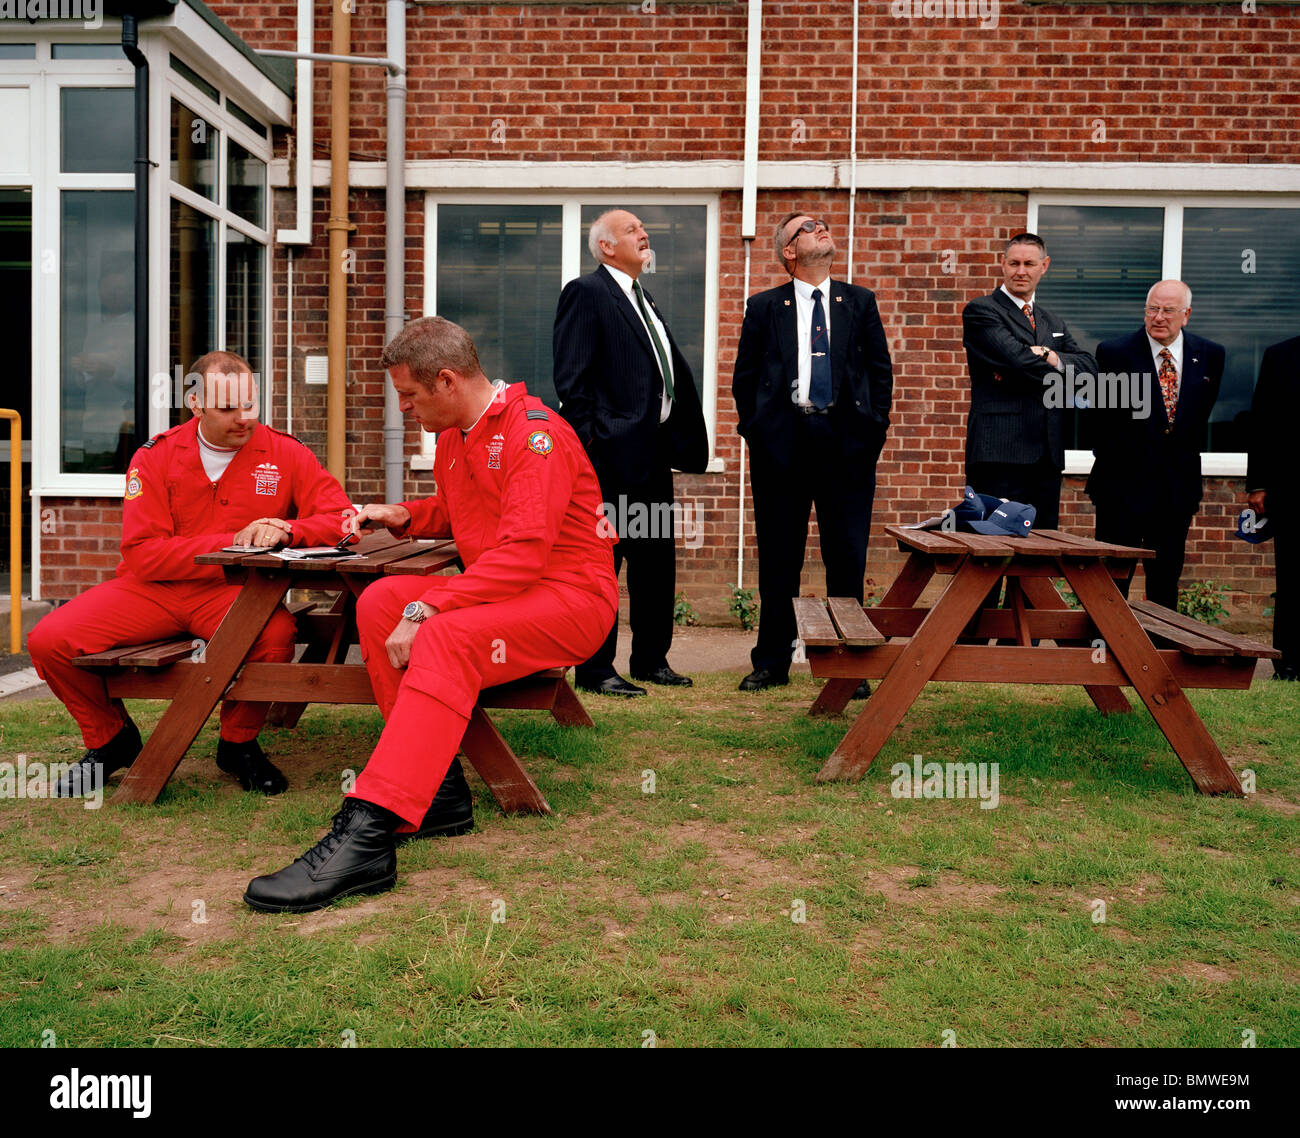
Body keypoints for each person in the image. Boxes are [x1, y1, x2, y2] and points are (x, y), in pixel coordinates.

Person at [243, 317, 618, 912]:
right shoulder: (457, 433)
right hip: (513, 592)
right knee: (381, 599)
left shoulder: (534, 434)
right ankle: (440, 792)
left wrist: (431, 602)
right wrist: (407, 516)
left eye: (410, 396)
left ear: (447, 381)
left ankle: (370, 829)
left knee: (439, 634)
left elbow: (522, 553)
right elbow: (467, 509)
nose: (404, 409)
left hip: (569, 598)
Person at [29, 350, 355, 797]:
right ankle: (111, 740)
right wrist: (233, 542)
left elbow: (342, 520)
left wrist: (288, 529)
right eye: (227, 409)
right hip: (150, 591)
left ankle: (238, 744)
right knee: (49, 640)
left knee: (274, 637)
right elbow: (143, 554)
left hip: (234, 593)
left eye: (249, 405)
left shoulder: (285, 452)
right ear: (196, 403)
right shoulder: (154, 457)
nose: (243, 418)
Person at [731, 212, 893, 692]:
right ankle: (771, 662)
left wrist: (872, 432)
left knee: (847, 556)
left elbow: (880, 373)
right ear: (789, 251)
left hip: (846, 446)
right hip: (782, 445)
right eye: (808, 226)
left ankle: (848, 666)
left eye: (824, 223)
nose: (822, 227)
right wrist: (757, 432)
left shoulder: (859, 302)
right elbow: (745, 379)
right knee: (780, 558)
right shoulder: (764, 306)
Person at [552, 209, 709, 697]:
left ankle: (650, 660)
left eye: (643, 229)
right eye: (631, 230)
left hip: (654, 454)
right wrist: (597, 442)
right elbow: (572, 383)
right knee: (605, 564)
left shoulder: (643, 298)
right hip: (611, 459)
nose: (644, 234)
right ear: (605, 246)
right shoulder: (587, 293)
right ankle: (596, 669)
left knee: (656, 560)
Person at [1087, 281, 1224, 609]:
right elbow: (1100, 423)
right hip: (1122, 489)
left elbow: (1194, 421)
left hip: (1177, 489)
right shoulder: (1114, 352)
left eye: (1168, 310)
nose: (1158, 317)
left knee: (1165, 578)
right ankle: (1106, 652)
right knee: (1113, 579)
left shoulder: (1210, 355)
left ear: (1186, 315)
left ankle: (1162, 653)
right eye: (1152, 309)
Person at [962, 232, 1097, 529]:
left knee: (1040, 557)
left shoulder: (1052, 322)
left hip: (1046, 457)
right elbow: (1017, 361)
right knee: (991, 554)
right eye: (1014, 263)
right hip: (999, 453)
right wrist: (1055, 371)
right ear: (1002, 264)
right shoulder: (982, 311)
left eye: (1029, 263)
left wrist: (1048, 353)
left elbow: (1089, 370)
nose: (1020, 271)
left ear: (1044, 266)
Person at [1246, 334, 1300, 680]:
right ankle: (1290, 661)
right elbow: (1262, 421)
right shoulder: (1281, 356)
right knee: (1292, 577)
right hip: (1291, 487)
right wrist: (1258, 483)